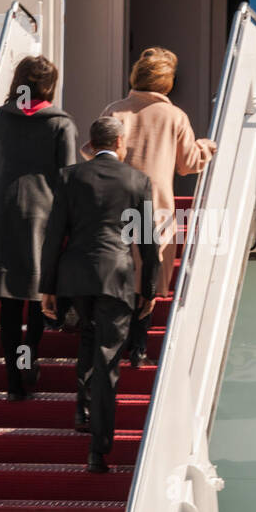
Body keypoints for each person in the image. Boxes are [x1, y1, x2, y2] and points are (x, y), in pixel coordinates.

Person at [40, 116, 158, 473]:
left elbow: (53, 234)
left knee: (89, 338)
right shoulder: (137, 181)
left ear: (92, 143)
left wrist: (47, 287)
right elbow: (146, 239)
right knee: (107, 359)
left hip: (75, 275)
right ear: (120, 142)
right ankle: (98, 450)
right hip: (116, 276)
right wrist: (148, 288)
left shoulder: (69, 177)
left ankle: (84, 407)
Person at [0, 55, 78, 400]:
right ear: (50, 86)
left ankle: (13, 382)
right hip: (43, 215)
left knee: (10, 301)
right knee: (37, 295)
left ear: (18, 82)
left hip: (2, 214)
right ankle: (30, 358)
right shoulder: (62, 124)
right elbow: (69, 174)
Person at [92, 48, 216, 366]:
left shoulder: (115, 110)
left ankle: (109, 345)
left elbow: (93, 152)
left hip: (115, 201)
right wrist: (207, 146)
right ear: (167, 83)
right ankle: (139, 347)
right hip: (156, 205)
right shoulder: (175, 116)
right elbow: (188, 164)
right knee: (149, 270)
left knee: (119, 270)